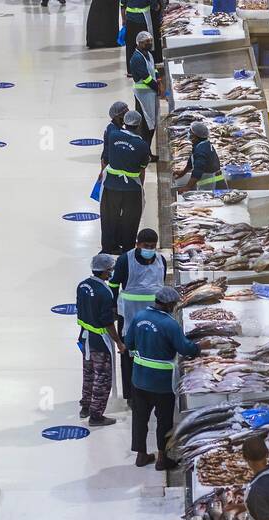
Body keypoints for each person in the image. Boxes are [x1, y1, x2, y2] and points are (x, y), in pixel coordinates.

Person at [129, 285, 199, 468]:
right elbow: (184, 348)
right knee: (164, 420)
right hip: (161, 382)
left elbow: (128, 342)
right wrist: (198, 348)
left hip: (138, 379)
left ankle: (141, 455)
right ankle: (162, 458)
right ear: (169, 305)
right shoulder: (169, 323)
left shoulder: (139, 317)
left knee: (139, 419)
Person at [112, 228, 167, 401]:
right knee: (129, 354)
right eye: (146, 246)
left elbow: (161, 286)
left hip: (155, 316)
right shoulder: (124, 260)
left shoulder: (161, 261)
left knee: (153, 351)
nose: (149, 249)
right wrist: (112, 306)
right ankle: (130, 394)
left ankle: (151, 389)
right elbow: (113, 285)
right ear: (137, 245)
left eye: (153, 246)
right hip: (129, 316)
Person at [78, 254, 126, 428]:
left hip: (84, 337)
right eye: (110, 270)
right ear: (105, 271)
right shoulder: (104, 292)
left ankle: (85, 406)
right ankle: (96, 415)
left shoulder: (82, 285)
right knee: (102, 377)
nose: (111, 273)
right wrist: (119, 342)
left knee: (88, 373)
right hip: (99, 341)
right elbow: (107, 322)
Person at [99, 102, 151, 256]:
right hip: (131, 189)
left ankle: (109, 246)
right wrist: (140, 187)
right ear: (138, 124)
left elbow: (106, 157)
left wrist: (102, 173)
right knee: (131, 219)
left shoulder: (113, 135)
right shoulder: (142, 145)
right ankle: (127, 248)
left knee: (109, 217)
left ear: (125, 121)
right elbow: (142, 170)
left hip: (111, 185)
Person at [129, 32, 161, 159]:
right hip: (143, 95)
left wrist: (158, 80)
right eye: (147, 41)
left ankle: (147, 152)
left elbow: (154, 69)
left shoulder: (148, 54)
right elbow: (146, 78)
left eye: (150, 41)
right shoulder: (137, 58)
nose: (150, 43)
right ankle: (144, 154)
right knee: (145, 126)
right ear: (139, 43)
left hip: (150, 94)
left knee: (151, 124)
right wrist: (157, 88)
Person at [181, 121, 226, 192]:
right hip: (208, 180)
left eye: (190, 132)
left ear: (195, 136)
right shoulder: (201, 144)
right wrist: (182, 172)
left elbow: (198, 171)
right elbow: (192, 159)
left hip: (210, 183)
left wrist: (188, 187)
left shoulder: (201, 150)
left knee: (209, 200)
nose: (188, 134)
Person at [124, 4, 154, 78]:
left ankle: (130, 71)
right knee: (145, 44)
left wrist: (124, 19)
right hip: (143, 19)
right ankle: (146, 69)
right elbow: (153, 4)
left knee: (130, 46)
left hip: (130, 20)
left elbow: (122, 4)